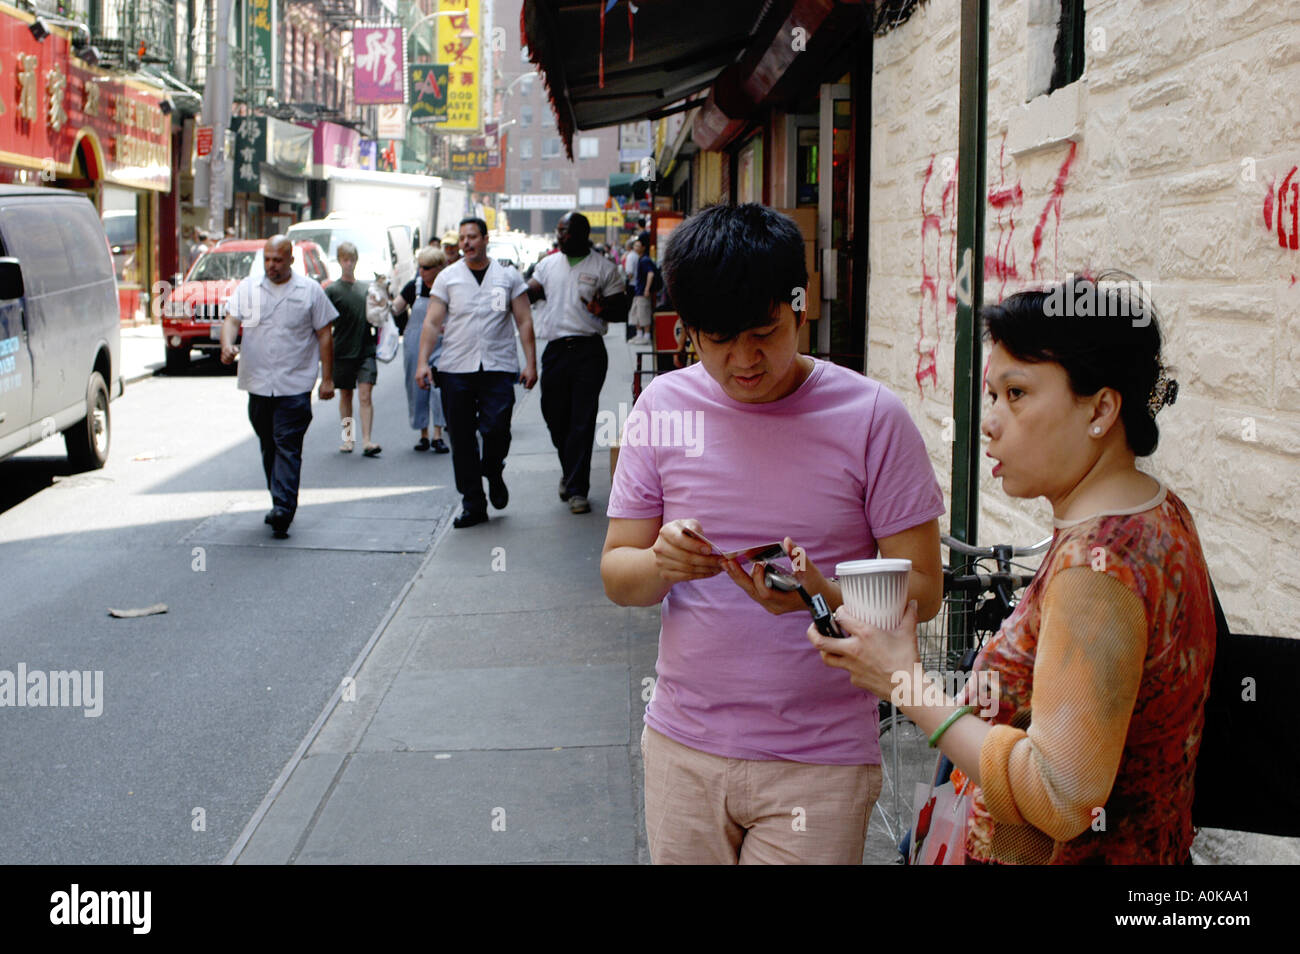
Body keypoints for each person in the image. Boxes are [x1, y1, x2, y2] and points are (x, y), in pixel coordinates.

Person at [809, 274, 1213, 865]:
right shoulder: (1156, 511)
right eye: (992, 396)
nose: (991, 421)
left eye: (1016, 394)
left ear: (1101, 408)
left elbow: (1062, 796)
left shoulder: (1096, 571)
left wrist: (907, 687)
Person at [600, 204, 944, 864]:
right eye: (718, 341)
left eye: (765, 331)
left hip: (820, 761)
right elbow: (620, 573)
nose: (745, 360)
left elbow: (924, 591)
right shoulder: (663, 408)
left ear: (800, 305)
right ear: (688, 331)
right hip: (683, 746)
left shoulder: (872, 417)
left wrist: (824, 594)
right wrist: (663, 563)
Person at [415, 217, 538, 529]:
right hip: (456, 368)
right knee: (462, 438)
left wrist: (531, 363)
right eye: (462, 238)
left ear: (485, 239)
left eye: (472, 237)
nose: (466, 243)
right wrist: (422, 362)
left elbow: (524, 320)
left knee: (497, 429)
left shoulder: (507, 276)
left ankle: (493, 469)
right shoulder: (448, 278)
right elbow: (431, 322)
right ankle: (473, 503)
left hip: (497, 367)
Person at [220, 235, 336, 538]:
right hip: (257, 383)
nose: (272, 265)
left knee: (286, 443)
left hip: (295, 384)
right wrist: (226, 344)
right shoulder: (249, 288)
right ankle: (279, 498)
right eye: (268, 259)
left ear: (290, 261)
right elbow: (232, 319)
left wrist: (327, 378)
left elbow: (325, 333)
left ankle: (284, 507)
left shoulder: (309, 291)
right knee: (268, 443)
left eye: (278, 260)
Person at [526, 212, 628, 515]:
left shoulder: (604, 268)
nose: (560, 237)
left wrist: (605, 308)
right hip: (555, 350)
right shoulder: (546, 264)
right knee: (554, 415)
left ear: (583, 233)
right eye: (558, 231)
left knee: (582, 420)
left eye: (566, 232)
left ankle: (577, 490)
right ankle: (570, 470)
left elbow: (621, 309)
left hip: (588, 350)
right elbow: (529, 292)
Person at [393, 246, 450, 453]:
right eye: (420, 267)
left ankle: (438, 434)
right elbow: (396, 308)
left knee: (439, 388)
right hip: (415, 343)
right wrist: (380, 303)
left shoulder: (447, 288)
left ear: (438, 268)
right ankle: (423, 433)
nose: (422, 271)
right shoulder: (413, 287)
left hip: (442, 342)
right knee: (417, 389)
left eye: (426, 267)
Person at [326, 241, 380, 456]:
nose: (348, 263)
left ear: (356, 261)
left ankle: (367, 439)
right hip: (342, 351)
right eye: (344, 259)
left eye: (352, 259)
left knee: (365, 395)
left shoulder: (366, 289)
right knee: (346, 395)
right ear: (339, 261)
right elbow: (324, 325)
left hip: (365, 350)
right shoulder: (332, 290)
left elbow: (377, 316)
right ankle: (348, 439)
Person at [630, 232, 658, 345]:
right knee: (637, 314)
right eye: (635, 245)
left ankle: (646, 336)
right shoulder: (641, 259)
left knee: (644, 314)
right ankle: (639, 334)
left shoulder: (645, 260)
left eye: (637, 245)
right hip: (639, 291)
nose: (635, 247)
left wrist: (647, 289)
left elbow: (650, 274)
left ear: (643, 247)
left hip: (642, 292)